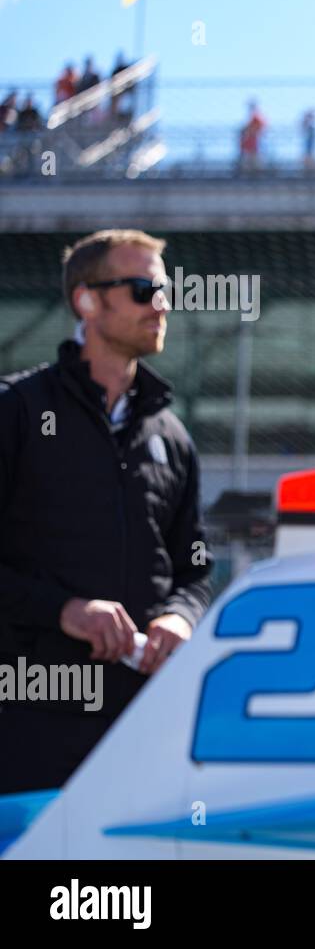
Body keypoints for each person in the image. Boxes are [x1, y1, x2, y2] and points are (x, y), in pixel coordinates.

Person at [0, 229, 212, 793]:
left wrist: (179, 618)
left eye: (165, 289)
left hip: (144, 727)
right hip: (28, 723)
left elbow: (194, 570)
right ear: (87, 301)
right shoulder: (16, 411)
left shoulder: (173, 436)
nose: (161, 303)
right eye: (144, 288)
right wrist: (63, 610)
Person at [239, 100, 266, 173]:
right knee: (247, 165)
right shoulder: (253, 117)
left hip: (255, 147)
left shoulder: (256, 117)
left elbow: (261, 127)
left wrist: (249, 130)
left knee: (254, 164)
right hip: (249, 146)